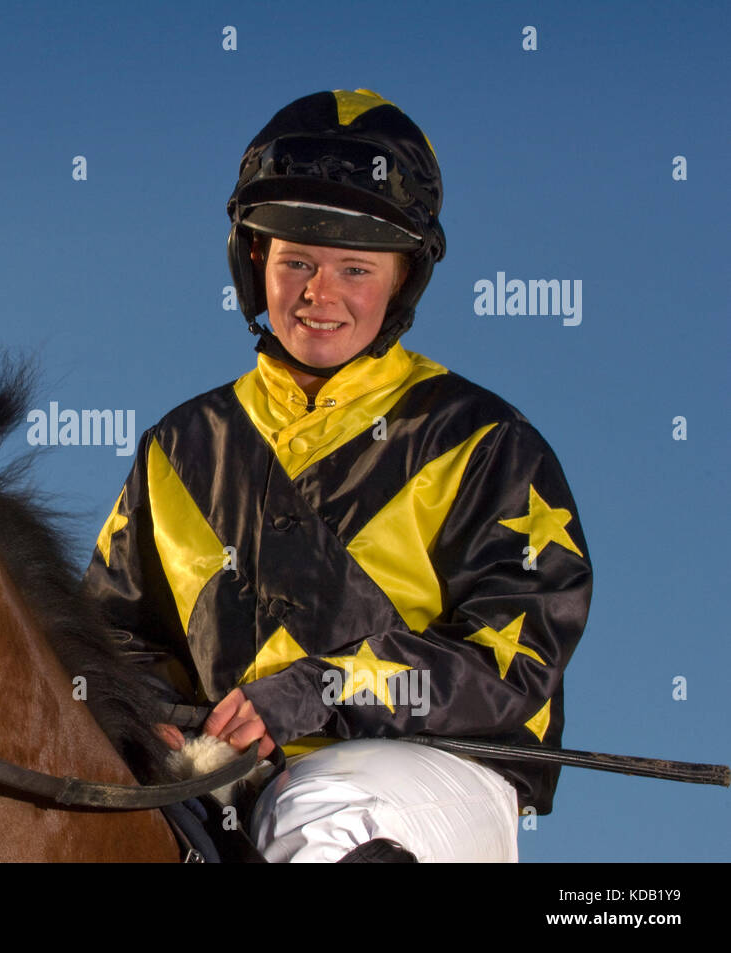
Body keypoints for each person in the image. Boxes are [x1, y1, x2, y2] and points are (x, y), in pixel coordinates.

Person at [81, 89, 592, 862]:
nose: (321, 295)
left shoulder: (483, 440)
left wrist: (313, 690)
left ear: (402, 280)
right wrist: (141, 717)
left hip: (439, 771)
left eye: (356, 268)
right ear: (254, 263)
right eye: (298, 263)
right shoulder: (176, 447)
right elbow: (112, 640)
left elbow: (513, 661)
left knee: (318, 808)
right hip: (229, 779)